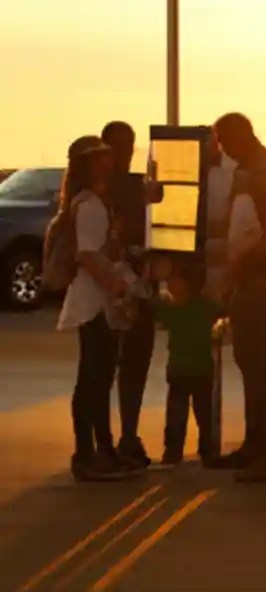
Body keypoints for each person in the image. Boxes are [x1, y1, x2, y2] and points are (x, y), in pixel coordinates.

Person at [207, 112, 266, 481]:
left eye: (224, 142)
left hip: (263, 282)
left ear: (238, 137)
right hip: (254, 282)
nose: (223, 150)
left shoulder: (263, 174)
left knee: (263, 365)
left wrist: (238, 268)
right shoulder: (254, 170)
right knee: (253, 364)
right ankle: (257, 443)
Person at [56, 135, 144, 481]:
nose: (109, 162)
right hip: (94, 304)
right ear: (89, 165)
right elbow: (89, 256)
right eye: (101, 158)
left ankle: (101, 450)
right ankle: (89, 454)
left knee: (97, 379)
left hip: (96, 302)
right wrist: (120, 290)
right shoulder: (89, 204)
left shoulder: (92, 203)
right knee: (94, 380)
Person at [101, 121, 162, 466]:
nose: (125, 152)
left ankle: (126, 435)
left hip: (141, 286)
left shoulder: (137, 185)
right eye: (118, 145)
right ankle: (106, 441)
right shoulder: (100, 190)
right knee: (104, 368)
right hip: (110, 290)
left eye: (130, 144)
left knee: (135, 365)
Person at [152, 261, 220, 468]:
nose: (170, 283)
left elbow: (152, 308)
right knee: (203, 412)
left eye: (175, 279)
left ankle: (174, 451)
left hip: (181, 369)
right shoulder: (206, 306)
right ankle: (207, 450)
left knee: (178, 413)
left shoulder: (172, 309)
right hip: (200, 369)